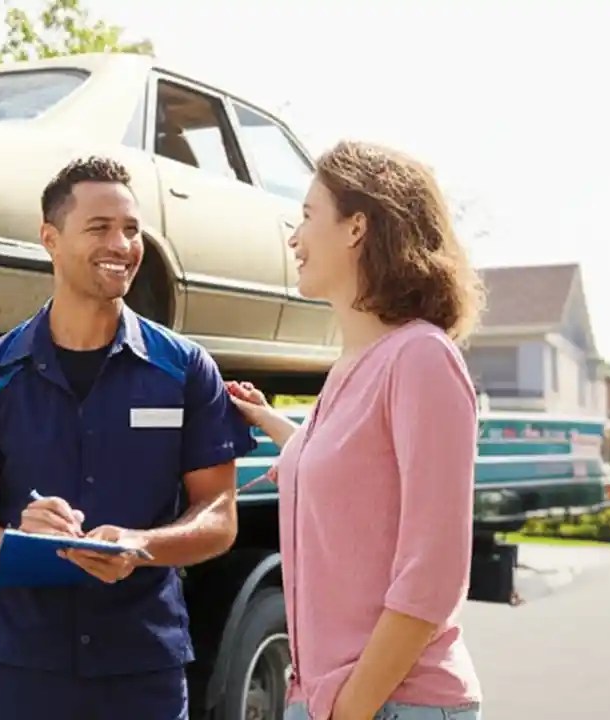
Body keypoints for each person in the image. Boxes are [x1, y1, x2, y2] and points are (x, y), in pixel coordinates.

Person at [0, 156, 256, 720]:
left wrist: (142, 544)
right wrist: (23, 543)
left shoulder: (183, 369)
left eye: (132, 230)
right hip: (29, 673)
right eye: (99, 228)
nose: (123, 244)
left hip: (144, 671)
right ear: (50, 239)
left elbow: (220, 515)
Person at [227, 140, 486, 720]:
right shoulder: (353, 365)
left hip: (393, 701)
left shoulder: (421, 358)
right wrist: (271, 420)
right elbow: (349, 474)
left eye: (308, 216)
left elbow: (434, 571)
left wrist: (354, 705)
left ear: (356, 227)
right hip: (329, 698)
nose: (294, 238)